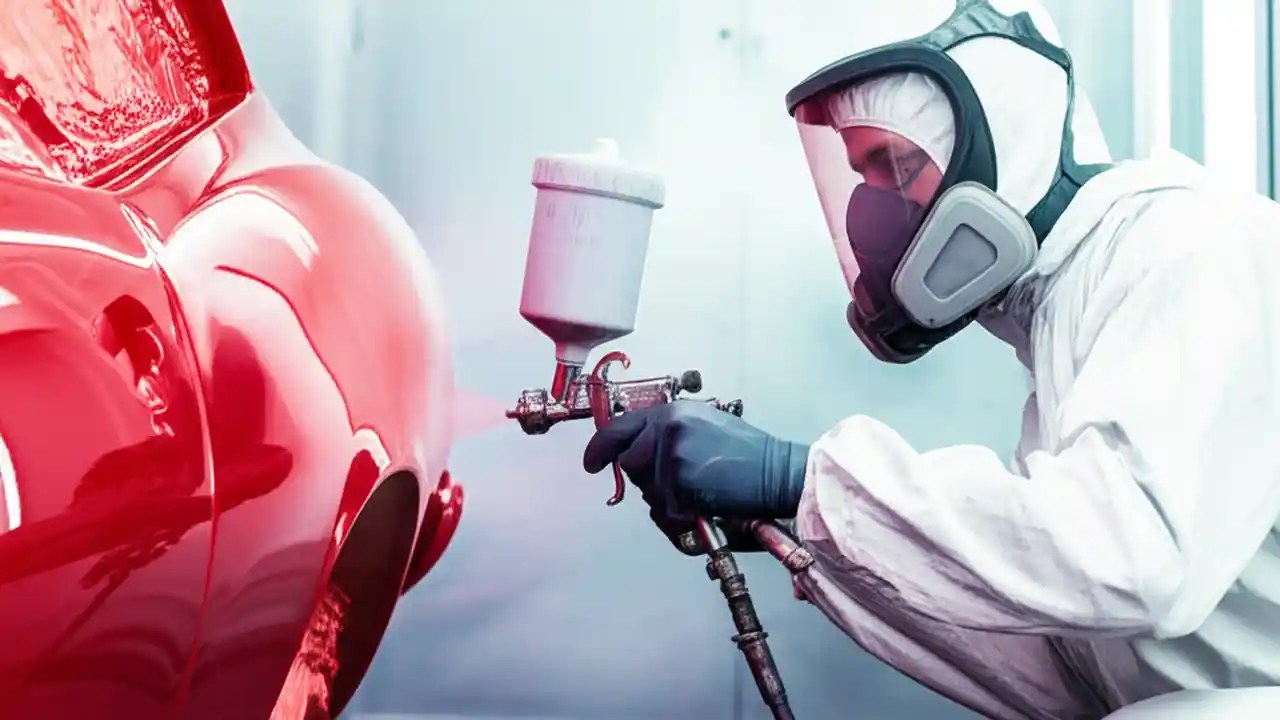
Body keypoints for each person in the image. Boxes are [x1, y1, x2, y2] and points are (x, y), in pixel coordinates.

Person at [582, 0, 1280, 718]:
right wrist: (794, 527)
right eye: (862, 178)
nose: (874, 215)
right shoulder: (1072, 310)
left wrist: (798, 478)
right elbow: (1064, 660)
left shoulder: (1194, 245)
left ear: (1005, 130)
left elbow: (1130, 556)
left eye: (897, 164)